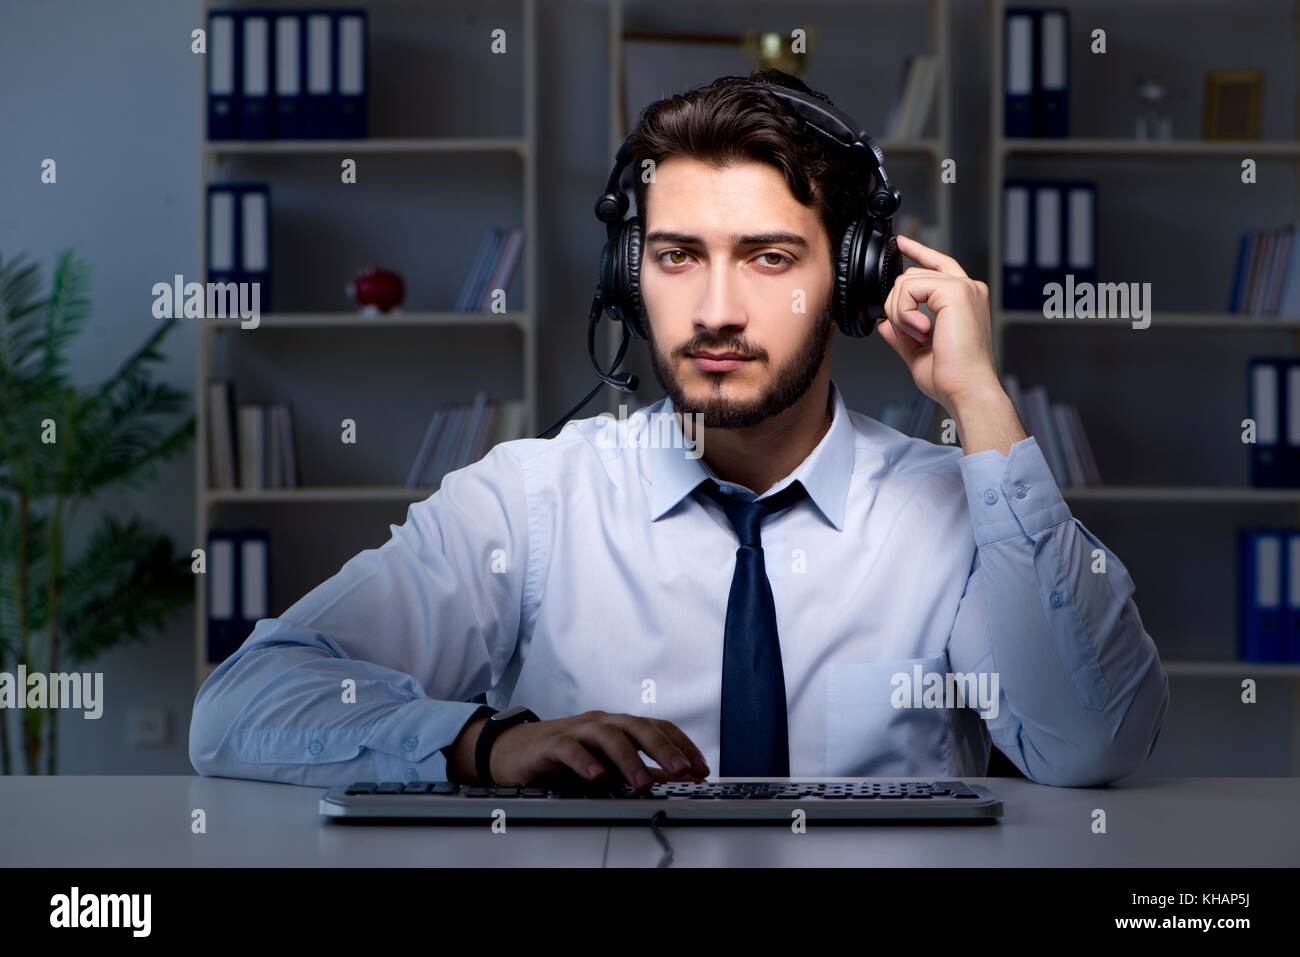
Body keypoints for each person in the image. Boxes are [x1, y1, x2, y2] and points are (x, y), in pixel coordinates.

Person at [189, 69, 1169, 790]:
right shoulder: (527, 502)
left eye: (769, 258)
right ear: (629, 280)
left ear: (855, 282)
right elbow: (239, 706)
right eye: (675, 257)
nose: (715, 309)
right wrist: (478, 743)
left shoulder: (957, 509)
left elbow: (1090, 742)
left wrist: (981, 404)